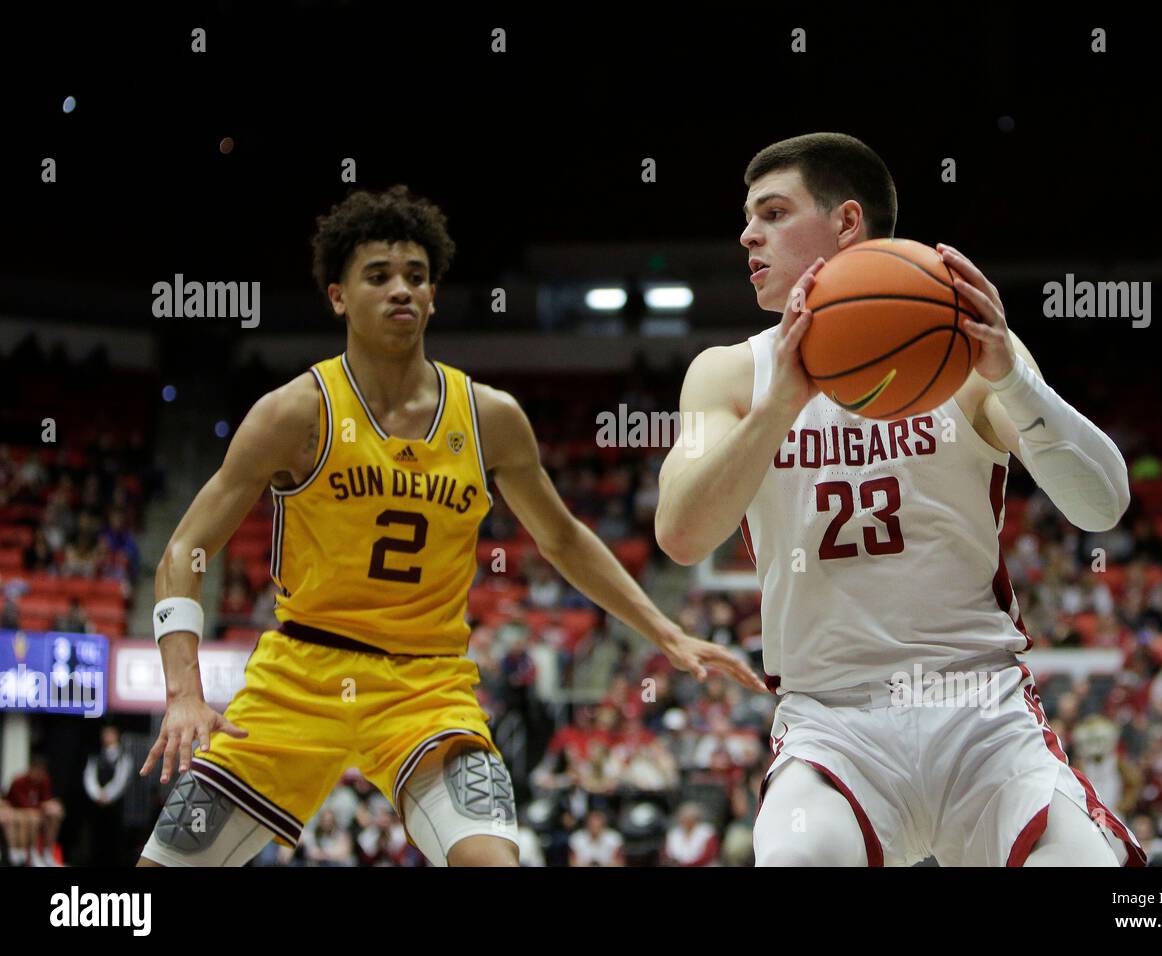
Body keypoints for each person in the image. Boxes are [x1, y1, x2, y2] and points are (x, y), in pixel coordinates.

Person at [137, 185, 765, 869]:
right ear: (338, 295)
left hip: (427, 687)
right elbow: (186, 547)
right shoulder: (294, 412)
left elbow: (563, 538)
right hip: (299, 679)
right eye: (378, 276)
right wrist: (184, 694)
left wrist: (665, 631)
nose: (401, 289)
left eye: (416, 276)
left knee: (493, 861)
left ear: (435, 296)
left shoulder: (489, 416)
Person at [656, 132, 1144, 867]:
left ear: (847, 222)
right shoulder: (729, 374)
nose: (747, 234)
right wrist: (780, 405)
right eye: (750, 216)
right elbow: (682, 536)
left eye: (774, 212)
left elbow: (1103, 504)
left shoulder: (969, 351)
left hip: (981, 711)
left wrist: (1014, 376)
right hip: (832, 720)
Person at [83, 724, 132, 866]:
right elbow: (89, 777)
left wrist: (108, 795)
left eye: (110, 734)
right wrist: (97, 794)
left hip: (115, 805)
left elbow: (121, 780)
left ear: (116, 736)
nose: (106, 737)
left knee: (114, 837)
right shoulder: (96, 756)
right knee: (96, 836)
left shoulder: (124, 757)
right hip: (97, 803)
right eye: (104, 734)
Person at [5, 754, 64, 866]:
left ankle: (48, 852)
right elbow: (22, 804)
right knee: (33, 819)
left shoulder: (44, 780)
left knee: (54, 815)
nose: (39, 775)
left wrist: (51, 806)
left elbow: (45, 799)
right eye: (37, 771)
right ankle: (31, 853)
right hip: (19, 811)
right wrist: (43, 806)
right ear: (30, 769)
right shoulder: (19, 781)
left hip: (34, 811)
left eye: (42, 772)